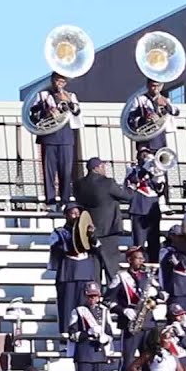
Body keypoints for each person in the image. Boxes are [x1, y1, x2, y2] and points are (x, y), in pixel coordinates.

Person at [75, 157, 134, 284]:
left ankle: (95, 296)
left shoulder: (79, 184)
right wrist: (131, 187)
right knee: (111, 267)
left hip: (88, 231)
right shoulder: (108, 183)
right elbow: (127, 196)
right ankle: (111, 298)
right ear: (96, 168)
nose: (104, 169)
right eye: (102, 166)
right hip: (108, 230)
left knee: (94, 268)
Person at [66, 281, 116, 371]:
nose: (92, 299)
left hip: (99, 352)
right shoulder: (78, 311)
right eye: (90, 296)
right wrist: (86, 333)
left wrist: (106, 338)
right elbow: (72, 334)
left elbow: (109, 331)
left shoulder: (104, 311)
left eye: (95, 296)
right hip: (84, 353)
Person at [34, 72, 82, 207]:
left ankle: (65, 201)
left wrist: (68, 102)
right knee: (49, 172)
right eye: (56, 81)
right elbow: (33, 113)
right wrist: (47, 112)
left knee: (66, 172)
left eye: (62, 82)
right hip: (48, 137)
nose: (58, 84)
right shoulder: (43, 95)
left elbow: (77, 112)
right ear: (52, 80)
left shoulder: (71, 95)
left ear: (65, 83)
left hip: (66, 137)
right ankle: (50, 201)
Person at [48, 202, 97, 332]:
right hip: (67, 273)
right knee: (67, 307)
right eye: (72, 213)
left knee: (86, 305)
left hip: (86, 272)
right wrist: (71, 242)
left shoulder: (88, 231)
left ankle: (87, 333)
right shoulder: (59, 232)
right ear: (66, 215)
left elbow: (98, 249)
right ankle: (66, 336)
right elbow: (57, 248)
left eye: (78, 213)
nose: (76, 216)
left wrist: (92, 237)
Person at [125, 78, 179, 154]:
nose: (156, 89)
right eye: (153, 86)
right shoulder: (139, 99)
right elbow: (130, 119)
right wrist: (145, 119)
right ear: (148, 85)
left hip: (160, 140)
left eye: (158, 86)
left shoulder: (165, 100)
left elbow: (176, 112)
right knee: (146, 163)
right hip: (144, 142)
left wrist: (166, 105)